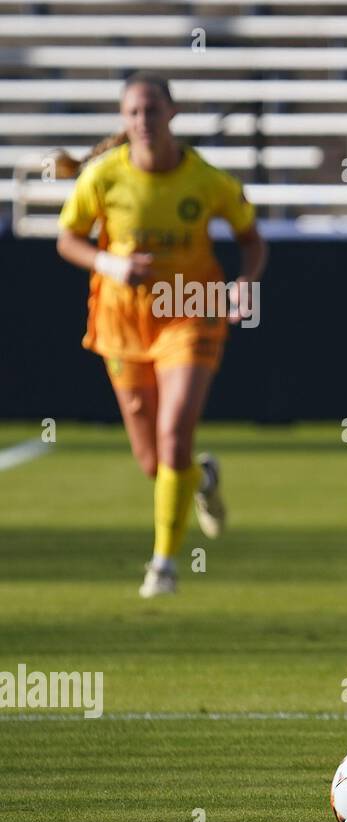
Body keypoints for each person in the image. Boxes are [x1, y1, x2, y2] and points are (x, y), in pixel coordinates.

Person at [55, 72, 266, 598]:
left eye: (152, 110)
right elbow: (68, 240)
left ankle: (164, 565)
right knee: (155, 462)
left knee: (174, 434)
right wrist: (108, 262)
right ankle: (203, 477)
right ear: (123, 120)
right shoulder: (103, 177)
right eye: (133, 112)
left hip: (191, 311)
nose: (143, 121)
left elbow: (251, 239)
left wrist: (244, 284)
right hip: (123, 322)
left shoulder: (205, 179)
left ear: (172, 113)